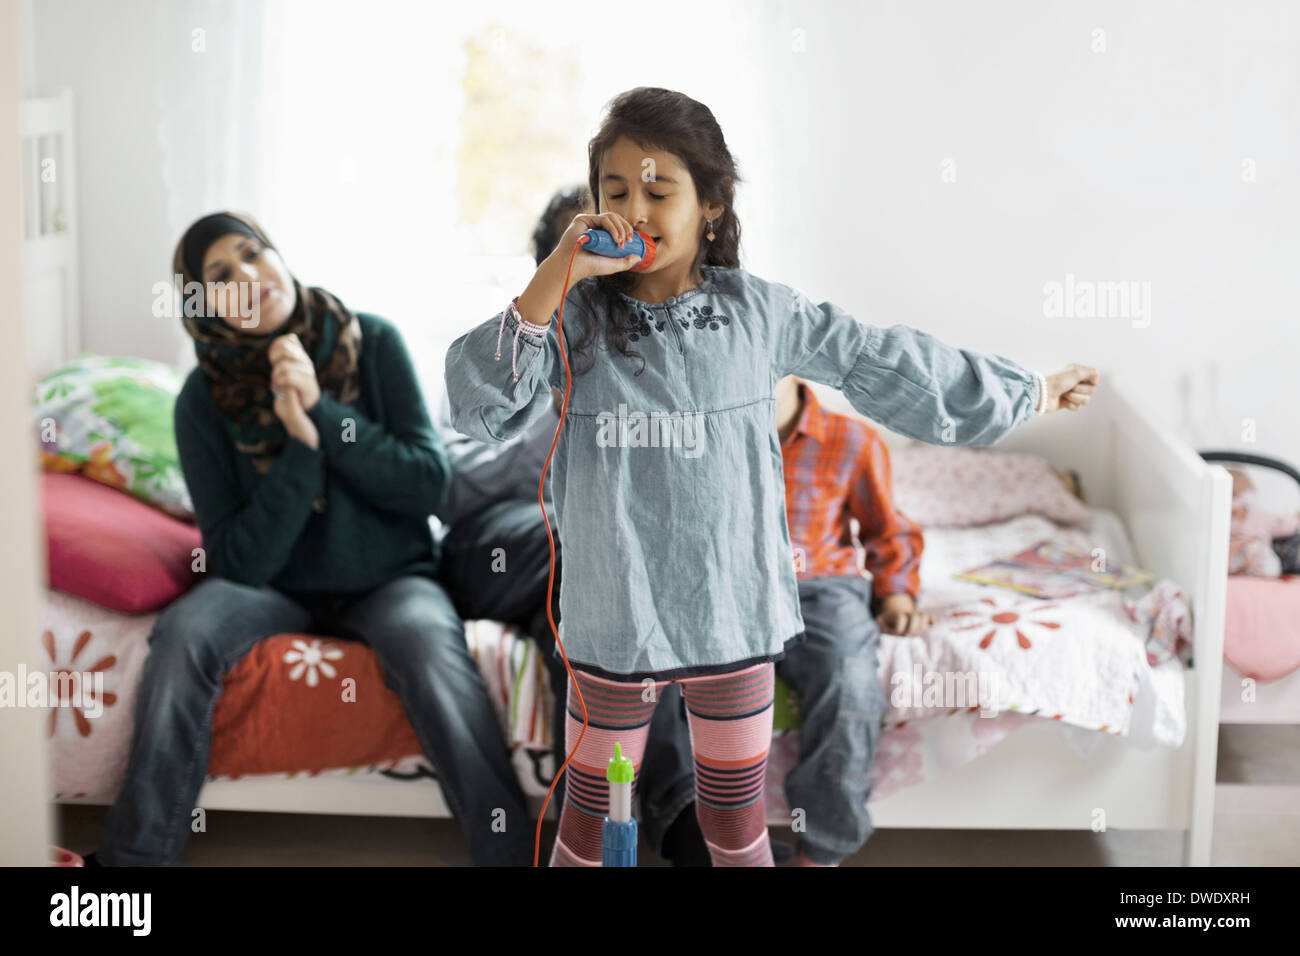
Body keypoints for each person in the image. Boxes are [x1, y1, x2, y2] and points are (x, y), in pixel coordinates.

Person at [444, 87, 1099, 867]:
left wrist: (1026, 389)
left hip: (732, 609)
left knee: (734, 820)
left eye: (659, 191)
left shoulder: (760, 313)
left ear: (711, 204)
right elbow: (476, 400)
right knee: (591, 817)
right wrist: (561, 267)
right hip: (612, 613)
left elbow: (884, 357)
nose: (635, 211)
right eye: (615, 192)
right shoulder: (573, 319)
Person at [90, 211, 532, 866]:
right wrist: (298, 445)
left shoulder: (372, 341)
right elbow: (239, 558)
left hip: (392, 578)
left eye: (252, 252)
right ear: (203, 305)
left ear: (278, 257)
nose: (248, 274)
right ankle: (130, 873)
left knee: (430, 651)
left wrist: (322, 413)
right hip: (272, 588)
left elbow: (426, 486)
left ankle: (511, 857)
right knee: (183, 633)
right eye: (220, 274)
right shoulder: (201, 401)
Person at [432, 186, 713, 865]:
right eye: (590, 240)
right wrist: (561, 418)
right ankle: (678, 816)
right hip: (496, 544)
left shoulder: (652, 358)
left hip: (583, 568)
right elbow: (451, 480)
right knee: (595, 559)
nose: (612, 251)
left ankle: (582, 829)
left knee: (589, 623)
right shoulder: (506, 347)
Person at [773, 374, 934, 866]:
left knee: (848, 680)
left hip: (822, 585)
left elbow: (890, 531)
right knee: (679, 680)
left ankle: (821, 849)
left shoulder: (851, 439)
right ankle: (706, 836)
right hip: (731, 582)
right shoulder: (708, 430)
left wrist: (897, 596)